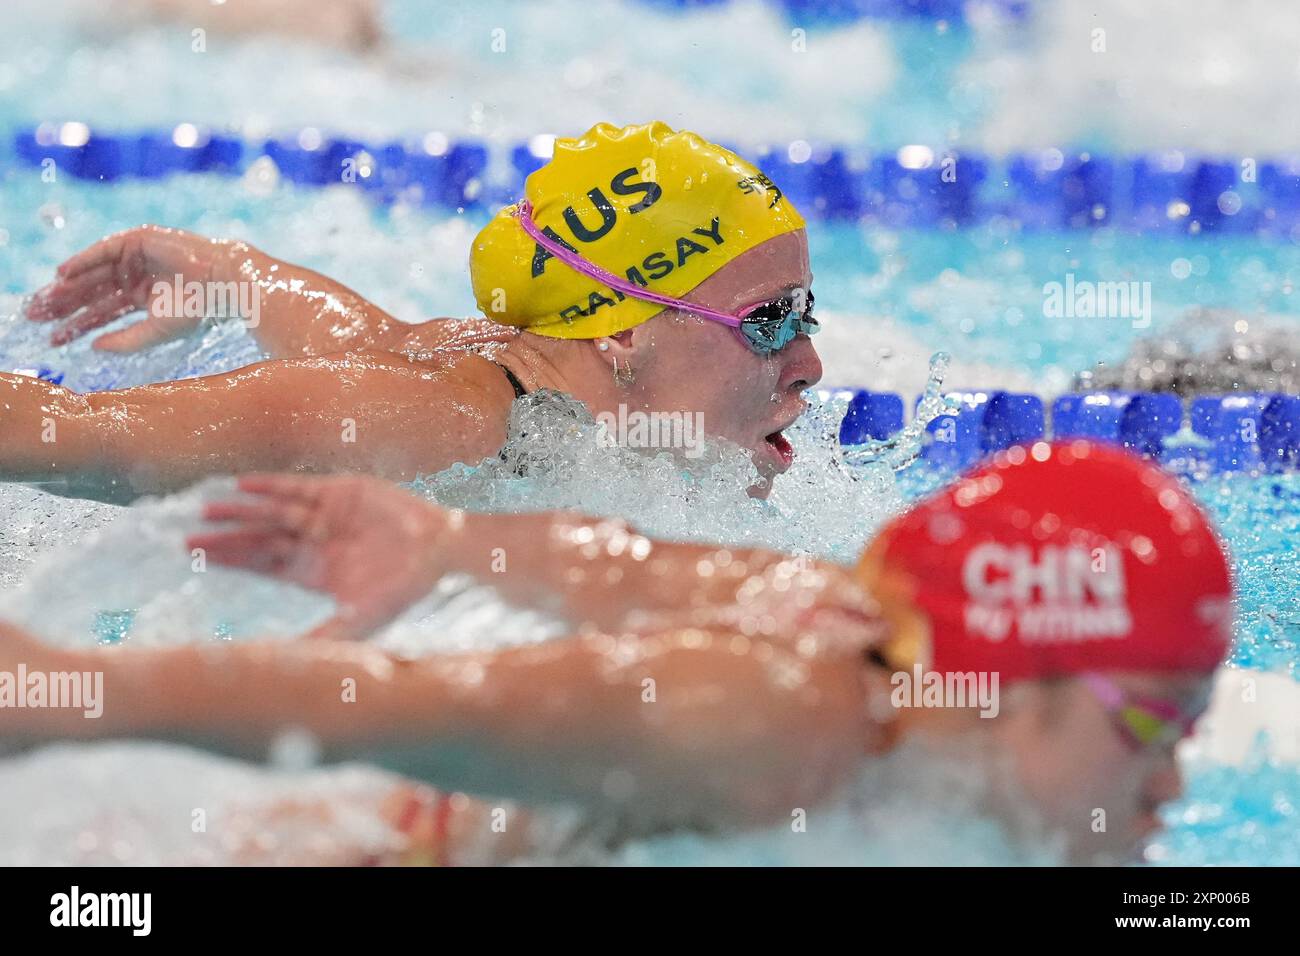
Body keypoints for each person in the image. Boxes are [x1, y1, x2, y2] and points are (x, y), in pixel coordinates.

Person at [0, 442, 1234, 863]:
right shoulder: (765, 725)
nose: (1175, 777)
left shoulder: (882, 640)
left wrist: (447, 540)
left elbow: (638, 567)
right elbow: (404, 706)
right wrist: (73, 691)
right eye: (1155, 721)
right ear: (1018, 680)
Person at [6, 122, 820, 501]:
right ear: (617, 333)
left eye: (805, 316)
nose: (809, 364)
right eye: (769, 323)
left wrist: (238, 274)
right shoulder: (456, 425)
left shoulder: (532, 390)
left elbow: (374, 339)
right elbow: (78, 429)